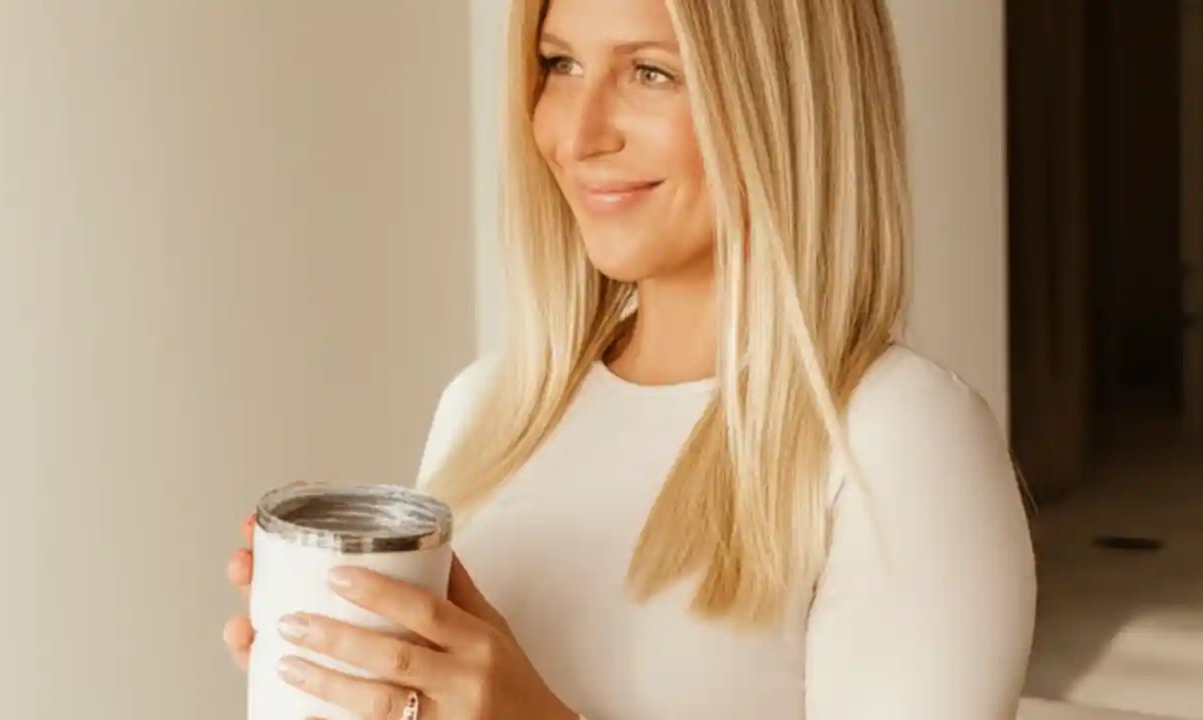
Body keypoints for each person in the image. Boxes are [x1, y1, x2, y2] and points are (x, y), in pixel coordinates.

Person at [222, 0, 1038, 717]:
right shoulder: (487, 406)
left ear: (786, 100)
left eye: (650, 72)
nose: (575, 135)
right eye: (559, 63)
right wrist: (347, 681)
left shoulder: (900, 437)